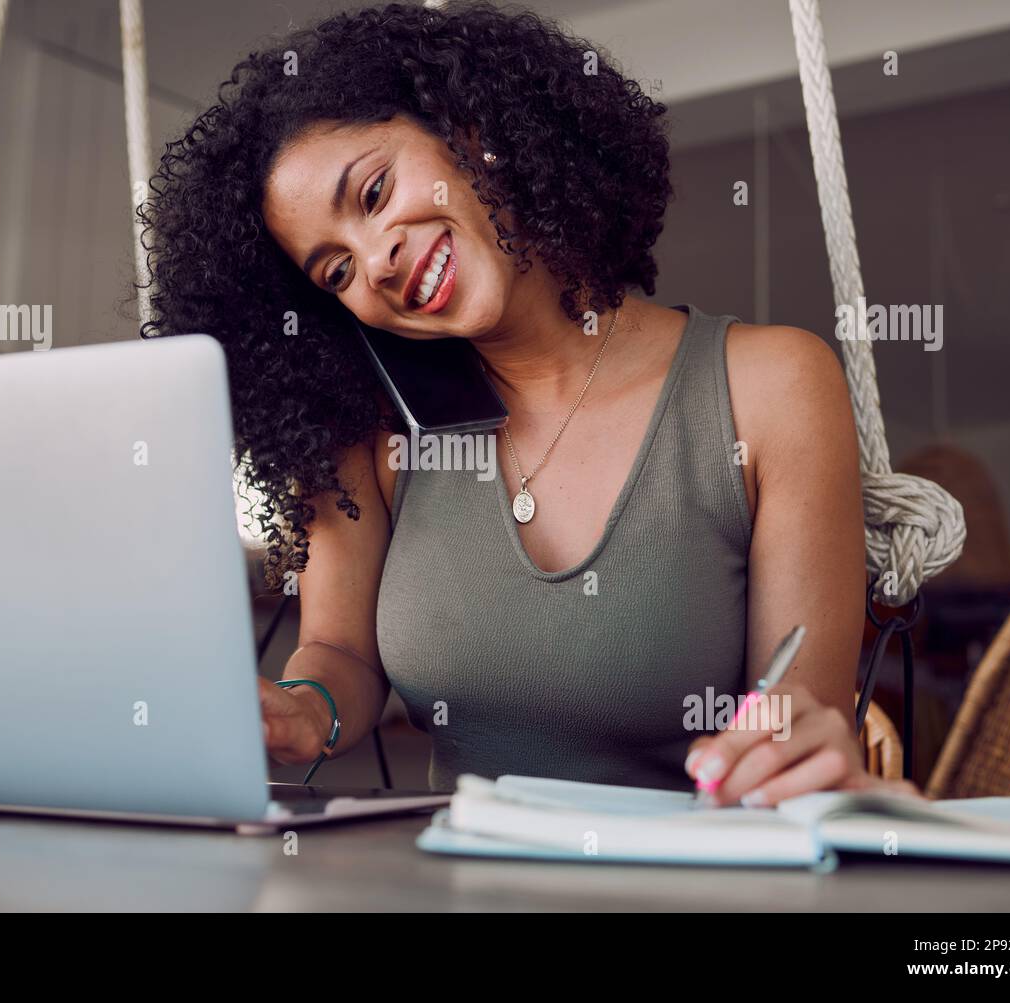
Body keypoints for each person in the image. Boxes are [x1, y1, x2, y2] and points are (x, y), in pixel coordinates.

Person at [139, 2, 918, 804]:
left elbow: (797, 711)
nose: (375, 262)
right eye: (334, 271)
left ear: (468, 125)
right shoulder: (375, 434)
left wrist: (790, 739)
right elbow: (342, 651)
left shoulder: (773, 386)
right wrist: (308, 710)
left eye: (374, 191)